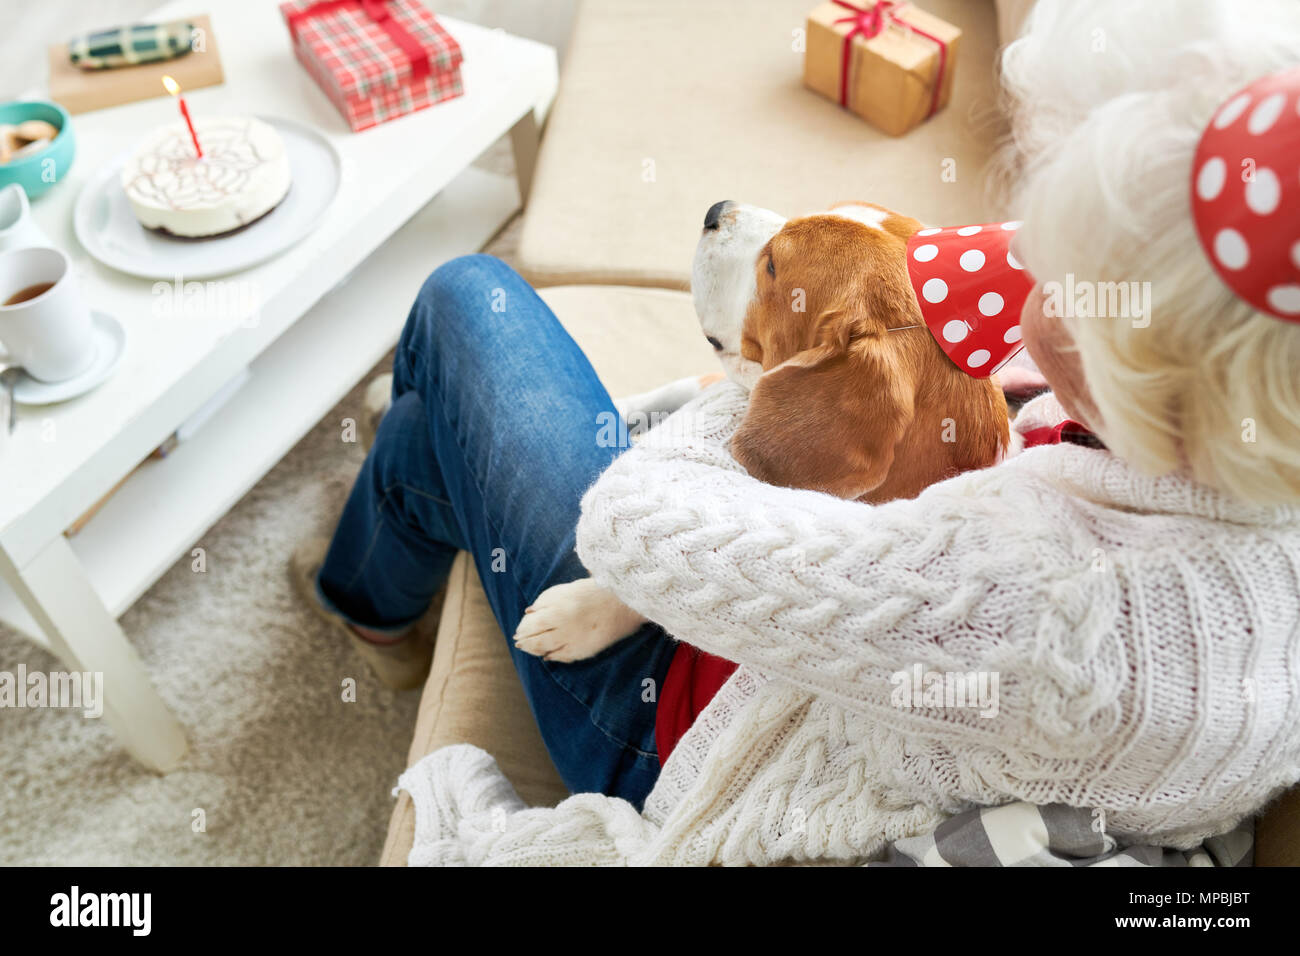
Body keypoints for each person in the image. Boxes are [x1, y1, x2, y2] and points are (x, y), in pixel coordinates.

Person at [294, 0, 1300, 864]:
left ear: (1150, 388)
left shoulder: (1045, 601)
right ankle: (394, 543)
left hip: (682, 727)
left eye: (1066, 276)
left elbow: (637, 528)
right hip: (836, 668)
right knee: (434, 431)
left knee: (464, 300)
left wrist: (793, 361)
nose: (1031, 271)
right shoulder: (1245, 474)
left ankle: (368, 600)